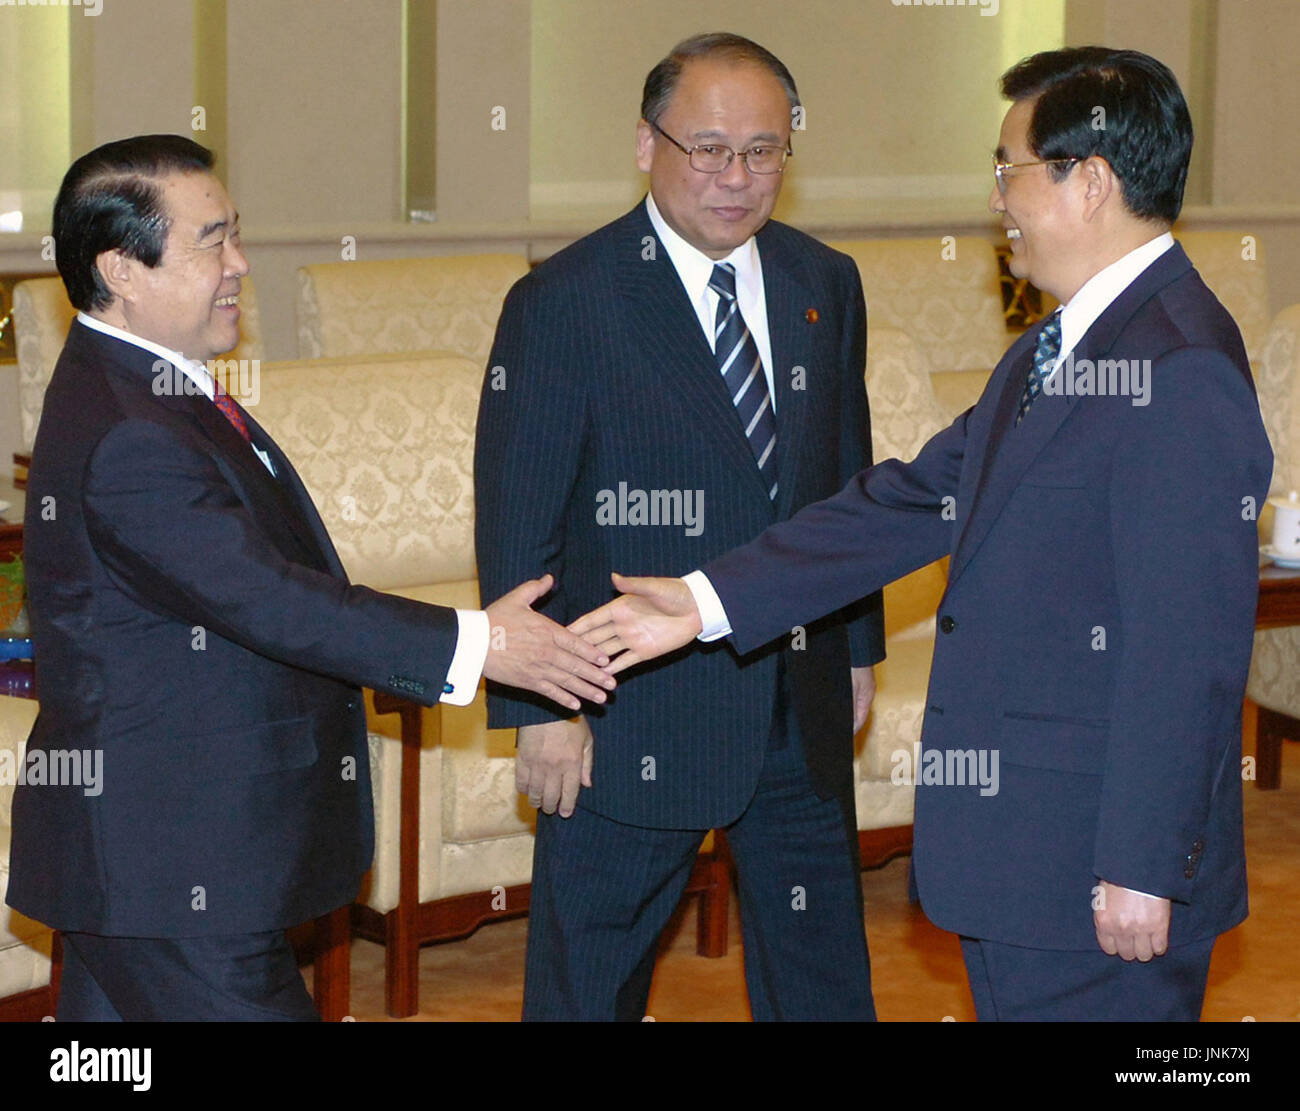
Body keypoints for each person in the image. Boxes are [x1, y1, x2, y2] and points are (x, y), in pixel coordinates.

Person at [574, 46, 1272, 1021]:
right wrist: (704, 601)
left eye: (1007, 169)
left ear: (1088, 182)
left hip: (1094, 875)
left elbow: (1186, 650)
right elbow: (907, 500)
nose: (996, 200)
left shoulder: (1179, 366)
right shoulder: (1057, 343)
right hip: (1026, 861)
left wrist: (1144, 864)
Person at [6, 134, 614, 1021]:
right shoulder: (132, 428)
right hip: (170, 866)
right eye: (211, 241)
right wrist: (482, 643)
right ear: (121, 270)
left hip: (137, 864)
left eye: (236, 233)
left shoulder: (141, 385)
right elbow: (269, 598)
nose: (239, 264)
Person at [475, 32, 885, 1021]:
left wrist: (857, 647)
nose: (737, 177)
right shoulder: (564, 299)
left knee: (824, 983)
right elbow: (519, 520)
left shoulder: (823, 282)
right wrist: (539, 708)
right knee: (587, 989)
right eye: (708, 149)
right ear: (644, 144)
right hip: (629, 712)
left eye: (763, 150)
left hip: (799, 697)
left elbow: (846, 486)